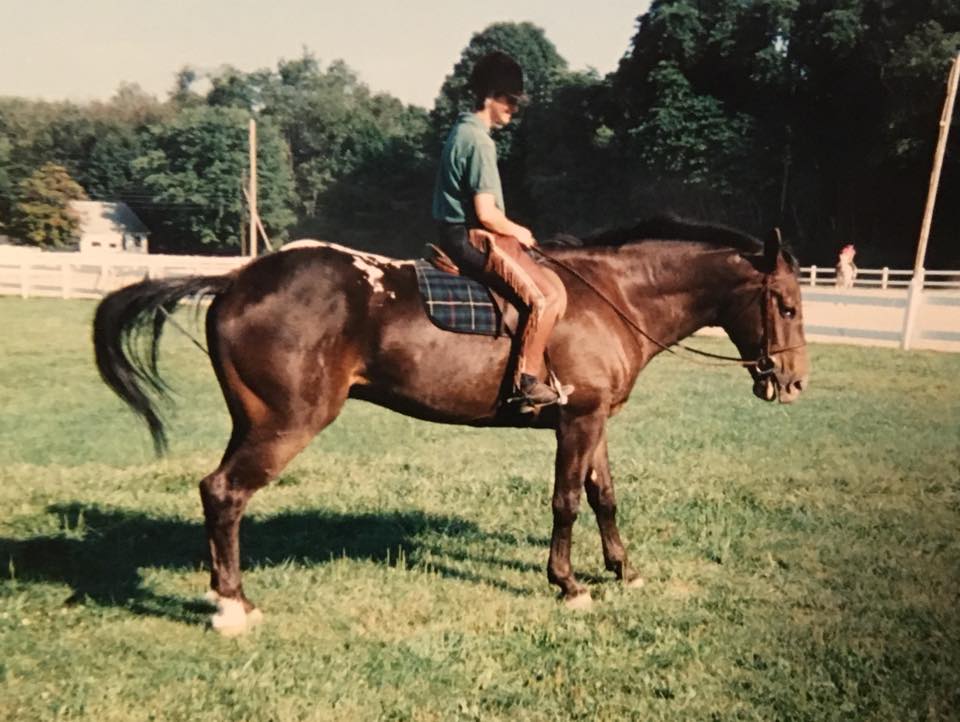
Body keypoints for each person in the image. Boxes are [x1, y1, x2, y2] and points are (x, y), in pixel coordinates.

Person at [432, 51, 567, 407]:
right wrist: (520, 232)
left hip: (456, 231)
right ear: (490, 95)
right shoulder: (478, 140)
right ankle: (525, 381)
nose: (514, 108)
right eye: (509, 100)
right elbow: (487, 214)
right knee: (547, 297)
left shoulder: (461, 129)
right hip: (471, 236)